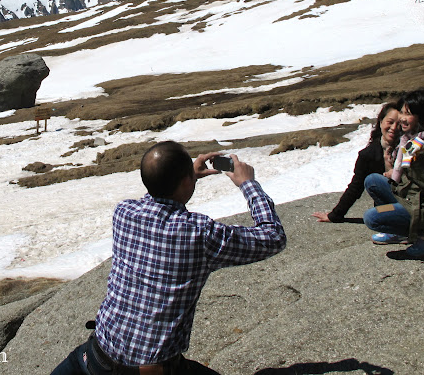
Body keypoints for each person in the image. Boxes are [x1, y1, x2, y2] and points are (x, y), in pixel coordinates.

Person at [51, 141, 286, 374]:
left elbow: (157, 193)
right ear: (185, 181)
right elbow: (273, 236)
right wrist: (248, 184)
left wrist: (184, 177)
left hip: (93, 359)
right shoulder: (200, 234)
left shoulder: (123, 212)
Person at [312, 90, 424, 242]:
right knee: (373, 184)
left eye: (398, 121)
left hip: (421, 202)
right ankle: (401, 229)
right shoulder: (370, 154)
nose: (394, 127)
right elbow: (356, 185)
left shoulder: (414, 141)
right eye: (389, 122)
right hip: (400, 202)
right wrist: (335, 215)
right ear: (380, 123)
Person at [362, 89, 424, 258]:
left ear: (423, 116)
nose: (402, 118)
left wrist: (418, 164)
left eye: (408, 114)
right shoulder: (413, 138)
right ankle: (402, 233)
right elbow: (410, 172)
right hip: (412, 197)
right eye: (403, 113)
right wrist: (395, 170)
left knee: (372, 218)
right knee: (373, 181)